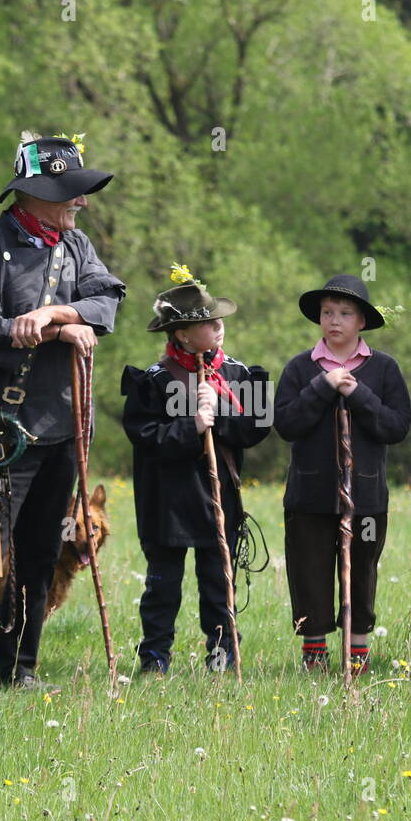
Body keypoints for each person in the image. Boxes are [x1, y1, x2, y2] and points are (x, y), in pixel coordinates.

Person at [0, 133, 124, 693]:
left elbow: (107, 301)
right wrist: (55, 330)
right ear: (32, 193)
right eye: (70, 193)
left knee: (42, 550)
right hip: (0, 430)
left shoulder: (77, 248)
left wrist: (56, 312)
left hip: (64, 426)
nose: (82, 202)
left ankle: (17, 668)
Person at [122, 266, 271, 673]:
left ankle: (222, 655)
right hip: (167, 499)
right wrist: (192, 426)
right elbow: (145, 436)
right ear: (182, 334)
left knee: (219, 583)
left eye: (218, 318)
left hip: (218, 496)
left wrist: (218, 415)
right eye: (207, 322)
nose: (219, 326)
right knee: (162, 586)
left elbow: (256, 427)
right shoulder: (152, 380)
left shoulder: (238, 374)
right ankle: (154, 658)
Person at [273, 275, 410, 674]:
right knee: (309, 570)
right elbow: (285, 423)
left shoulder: (383, 369)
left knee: (362, 570)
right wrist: (323, 386)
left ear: (362, 321)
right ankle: (314, 655)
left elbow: (397, 426)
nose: (334, 321)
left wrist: (357, 393)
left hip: (366, 499)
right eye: (327, 313)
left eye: (345, 313)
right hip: (309, 497)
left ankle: (358, 654)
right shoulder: (301, 368)